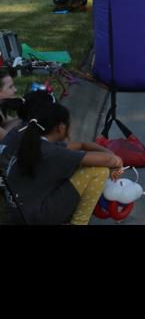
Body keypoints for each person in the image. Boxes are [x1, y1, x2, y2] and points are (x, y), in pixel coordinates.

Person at [0, 96, 125, 226]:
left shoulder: (32, 143)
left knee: (79, 166)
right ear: (61, 127)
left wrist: (111, 155)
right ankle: (79, 223)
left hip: (19, 215)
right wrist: (117, 161)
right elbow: (107, 160)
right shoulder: (53, 152)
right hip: (39, 217)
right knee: (98, 170)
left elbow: (82, 145)